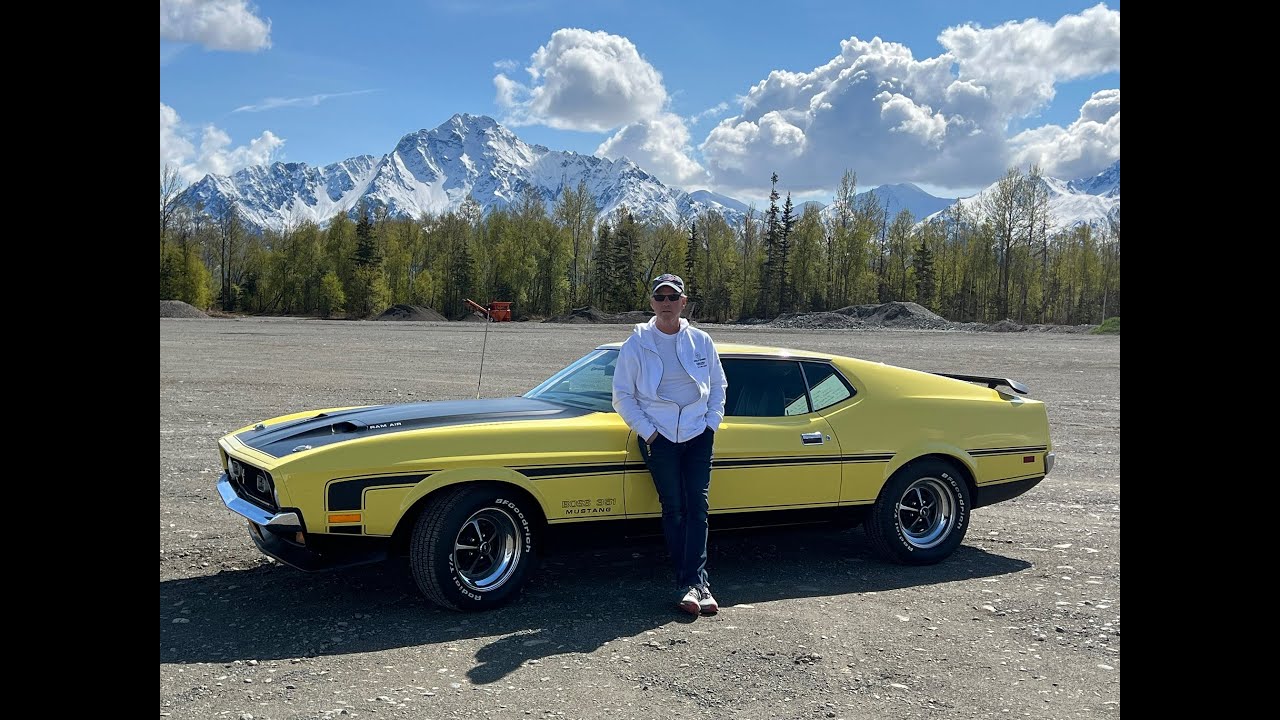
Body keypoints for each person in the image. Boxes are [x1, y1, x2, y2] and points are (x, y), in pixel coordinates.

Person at [612, 273, 728, 615]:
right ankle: (693, 583)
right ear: (652, 303)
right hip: (658, 436)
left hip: (697, 434)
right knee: (674, 506)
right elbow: (622, 395)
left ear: (683, 302)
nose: (666, 303)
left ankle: (693, 583)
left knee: (698, 507)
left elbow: (719, 385)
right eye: (660, 297)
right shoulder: (637, 343)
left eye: (672, 297)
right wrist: (649, 432)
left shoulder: (701, 340)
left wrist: (711, 424)